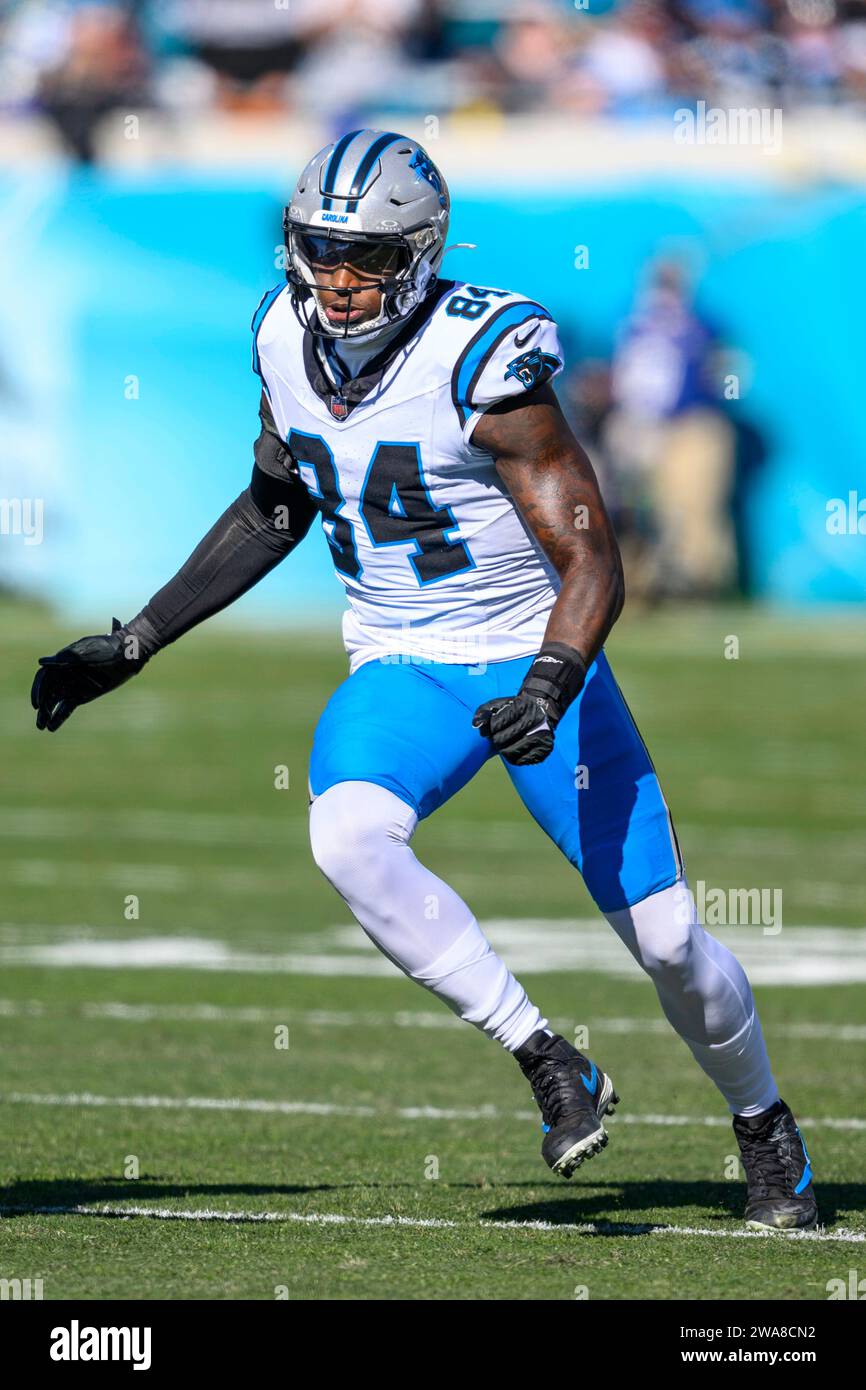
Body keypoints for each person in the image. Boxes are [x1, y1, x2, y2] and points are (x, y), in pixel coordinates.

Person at [31, 130, 815, 1229]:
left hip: (531, 648)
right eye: (319, 252)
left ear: (420, 252)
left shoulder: (481, 358)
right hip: (398, 657)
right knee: (345, 835)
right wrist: (140, 637)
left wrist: (548, 681)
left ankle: (764, 1127)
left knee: (672, 940)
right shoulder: (278, 337)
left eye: (364, 258)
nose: (337, 282)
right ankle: (547, 1058)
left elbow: (590, 554)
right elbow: (275, 502)